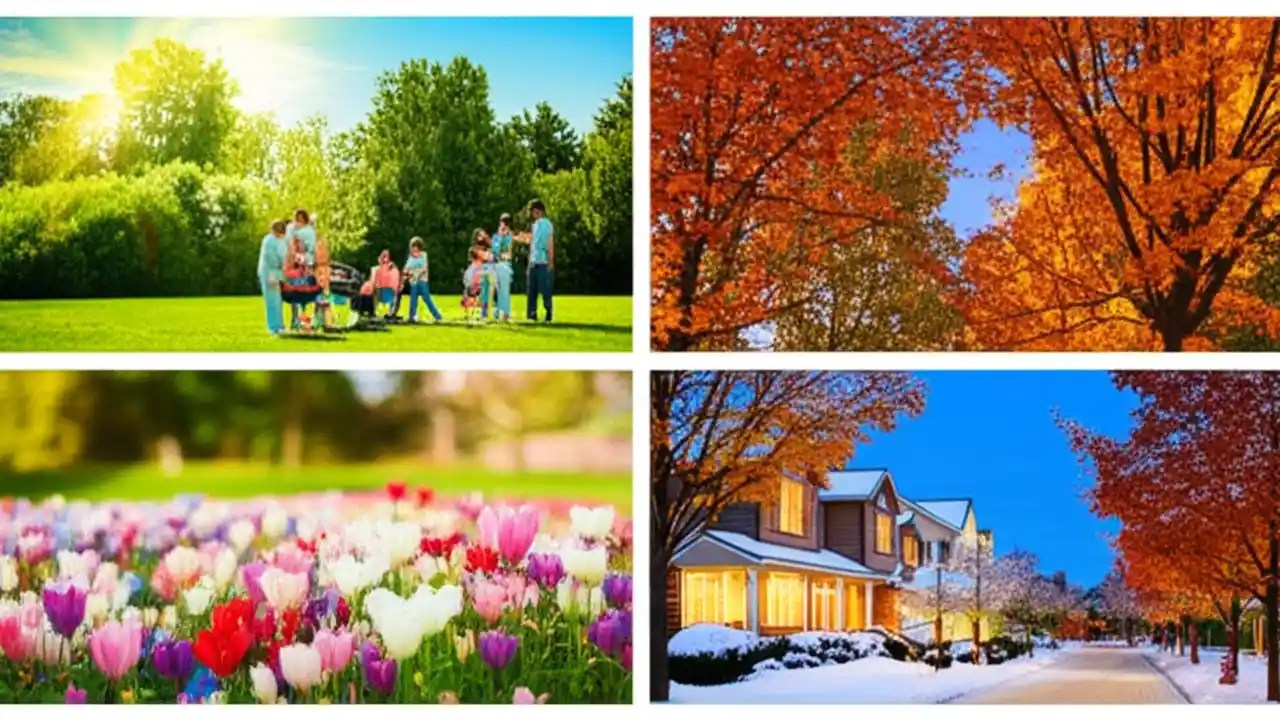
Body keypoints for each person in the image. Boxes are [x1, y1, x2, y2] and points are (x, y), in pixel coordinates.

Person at [516, 198, 554, 322]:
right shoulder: (536, 225)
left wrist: (550, 260)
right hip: (534, 261)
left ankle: (546, 312)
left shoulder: (546, 224)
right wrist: (517, 236)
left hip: (542, 261)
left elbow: (549, 243)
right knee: (534, 290)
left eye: (532, 212)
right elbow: (532, 240)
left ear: (537, 211)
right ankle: (533, 314)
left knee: (541, 290)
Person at [256, 220, 289, 335]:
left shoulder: (282, 240)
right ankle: (274, 327)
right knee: (271, 300)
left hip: (277, 273)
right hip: (269, 273)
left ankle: (280, 325)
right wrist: (283, 265)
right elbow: (271, 258)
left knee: (278, 300)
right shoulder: (269, 240)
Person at [402, 236, 443, 323]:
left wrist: (414, 272)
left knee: (426, 298)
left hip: (422, 280)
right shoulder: (410, 258)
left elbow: (424, 268)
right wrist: (410, 273)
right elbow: (406, 269)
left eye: (416, 249)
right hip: (413, 281)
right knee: (413, 298)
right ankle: (411, 316)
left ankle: (437, 315)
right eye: (413, 249)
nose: (414, 252)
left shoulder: (424, 255)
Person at [491, 214, 515, 322]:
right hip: (496, 265)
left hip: (505, 265)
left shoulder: (509, 237)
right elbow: (494, 250)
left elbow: (508, 253)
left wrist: (504, 236)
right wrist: (500, 237)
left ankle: (506, 314)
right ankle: (496, 313)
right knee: (496, 290)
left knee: (504, 291)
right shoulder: (496, 236)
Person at [372, 250, 400, 318]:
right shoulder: (376, 269)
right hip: (381, 292)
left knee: (397, 292)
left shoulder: (392, 269)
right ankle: (373, 312)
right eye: (383, 256)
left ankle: (391, 313)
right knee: (374, 291)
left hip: (388, 292)